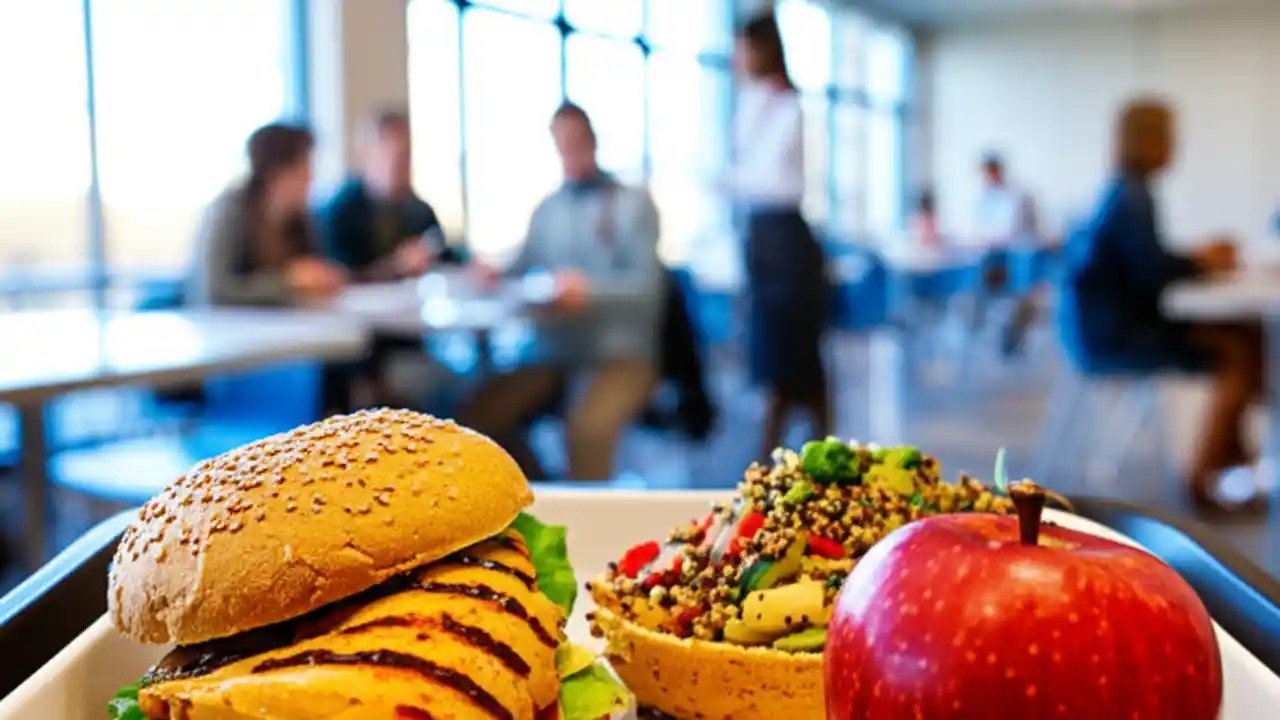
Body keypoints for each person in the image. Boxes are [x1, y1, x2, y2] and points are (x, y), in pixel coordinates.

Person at [1062, 99, 1261, 511]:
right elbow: (1149, 272)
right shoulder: (1134, 195)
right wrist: (1200, 260)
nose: (1175, 146)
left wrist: (1194, 258)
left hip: (1099, 329)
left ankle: (1231, 461)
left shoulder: (1122, 191)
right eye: (1170, 136)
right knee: (1240, 347)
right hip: (1119, 336)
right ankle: (1203, 478)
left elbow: (1142, 263)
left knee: (1245, 340)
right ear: (1150, 140)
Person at [459, 103, 663, 481]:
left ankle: (587, 519)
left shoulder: (630, 204)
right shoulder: (548, 210)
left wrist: (591, 293)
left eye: (576, 141)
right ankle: (539, 497)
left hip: (620, 355)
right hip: (554, 352)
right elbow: (519, 269)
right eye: (561, 143)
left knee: (588, 430)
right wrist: (492, 272)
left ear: (593, 141)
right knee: (478, 419)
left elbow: (648, 288)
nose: (569, 151)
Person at [726, 14, 830, 457]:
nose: (737, 58)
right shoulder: (751, 102)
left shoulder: (787, 105)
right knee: (773, 359)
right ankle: (774, 455)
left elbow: (771, 180)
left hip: (787, 242)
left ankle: (806, 450)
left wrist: (725, 179)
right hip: (761, 241)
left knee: (796, 358)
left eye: (743, 48)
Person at [189, 122, 346, 307]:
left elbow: (311, 268)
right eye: (304, 165)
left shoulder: (298, 219)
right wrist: (289, 282)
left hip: (286, 326)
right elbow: (216, 290)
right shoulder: (229, 212)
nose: (311, 177)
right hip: (226, 328)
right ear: (277, 172)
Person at [318, 109, 454, 282]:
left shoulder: (419, 210)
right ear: (365, 155)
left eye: (405, 156)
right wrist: (394, 267)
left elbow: (444, 255)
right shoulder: (338, 212)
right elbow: (337, 275)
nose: (397, 166)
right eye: (388, 154)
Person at [973, 153, 1037, 247]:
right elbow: (980, 226)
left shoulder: (1017, 194)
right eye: (987, 173)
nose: (989, 177)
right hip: (991, 244)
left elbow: (1012, 228)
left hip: (1014, 245)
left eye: (992, 172)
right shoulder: (984, 196)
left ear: (999, 171)